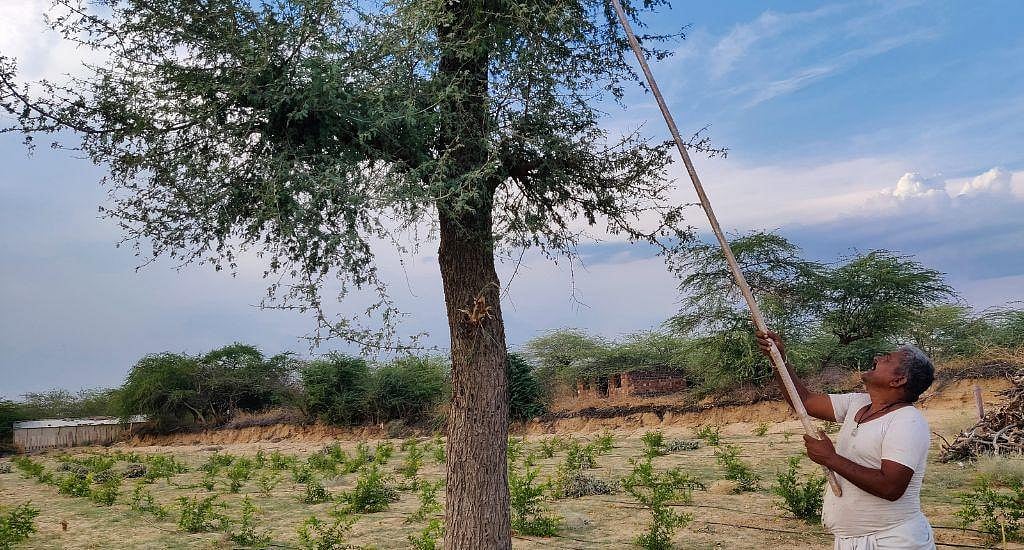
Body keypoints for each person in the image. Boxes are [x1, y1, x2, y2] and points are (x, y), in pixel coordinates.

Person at [756, 330, 936, 550]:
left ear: (898, 380)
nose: (877, 358)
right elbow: (803, 401)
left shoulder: (908, 422)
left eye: (887, 359)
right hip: (851, 541)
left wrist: (830, 459)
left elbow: (891, 487)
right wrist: (778, 359)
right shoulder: (858, 403)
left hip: (892, 541)